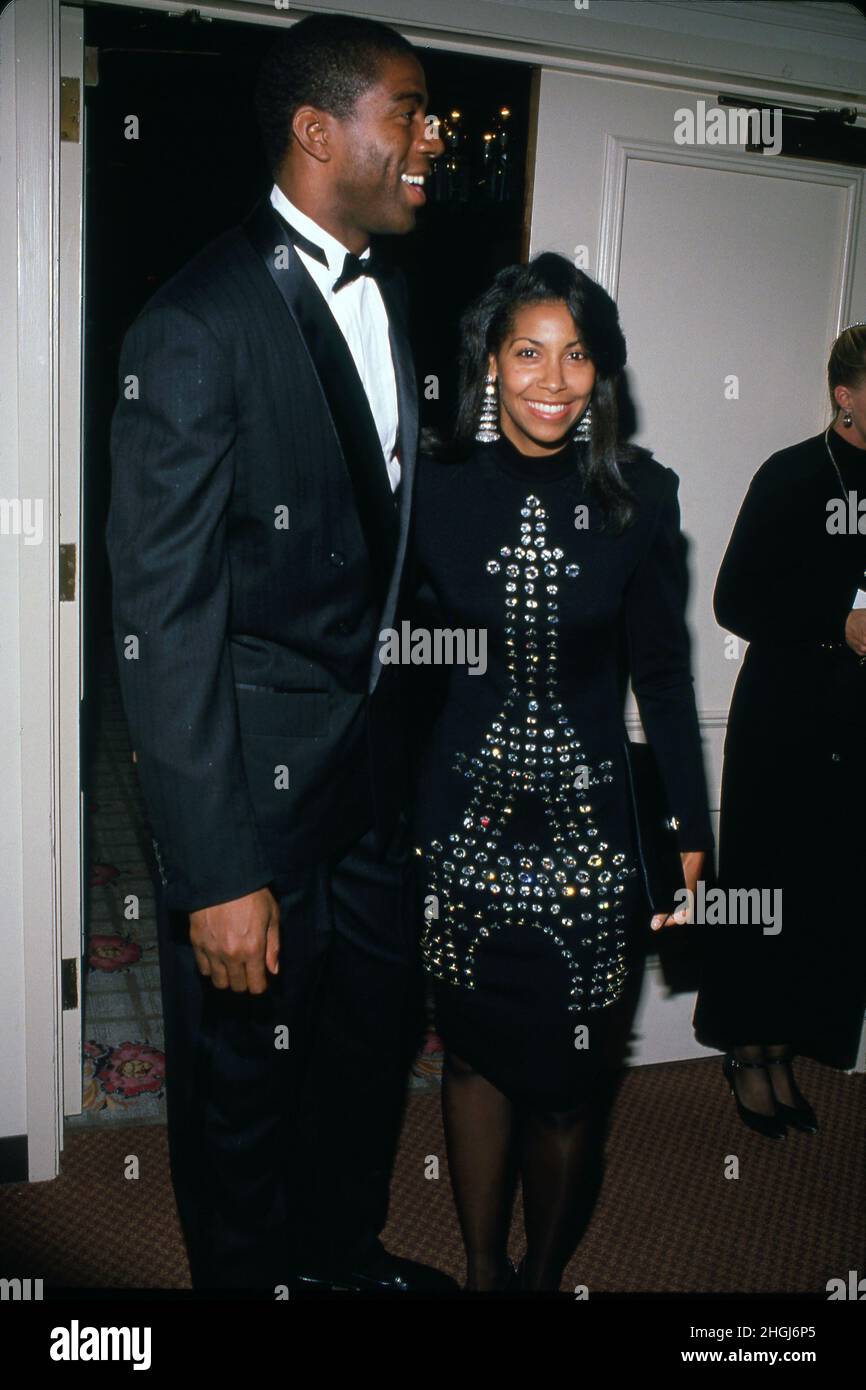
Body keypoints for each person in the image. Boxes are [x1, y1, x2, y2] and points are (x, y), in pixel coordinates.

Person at [105, 14, 451, 1292]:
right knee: (240, 1089)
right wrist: (213, 874)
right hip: (250, 799)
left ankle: (342, 1258)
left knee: (364, 1051)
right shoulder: (193, 323)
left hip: (371, 790)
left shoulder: (395, 289)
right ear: (318, 131)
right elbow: (164, 618)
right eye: (408, 112)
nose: (431, 139)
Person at [410, 253, 714, 1291]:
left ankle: (541, 1277)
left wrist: (688, 843)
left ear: (601, 371)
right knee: (472, 1061)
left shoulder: (639, 495)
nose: (552, 378)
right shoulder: (434, 484)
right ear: (489, 362)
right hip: (463, 836)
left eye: (576, 354)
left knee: (567, 1091)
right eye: (527, 351)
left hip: (591, 848)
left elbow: (664, 680)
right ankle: (482, 1269)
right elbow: (395, 669)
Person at [693, 324, 866, 1138]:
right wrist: (840, 622)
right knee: (764, 889)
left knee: (824, 898)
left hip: (853, 725)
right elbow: (734, 602)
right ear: (846, 396)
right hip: (781, 721)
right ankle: (747, 1053)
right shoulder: (793, 474)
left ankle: (785, 1052)